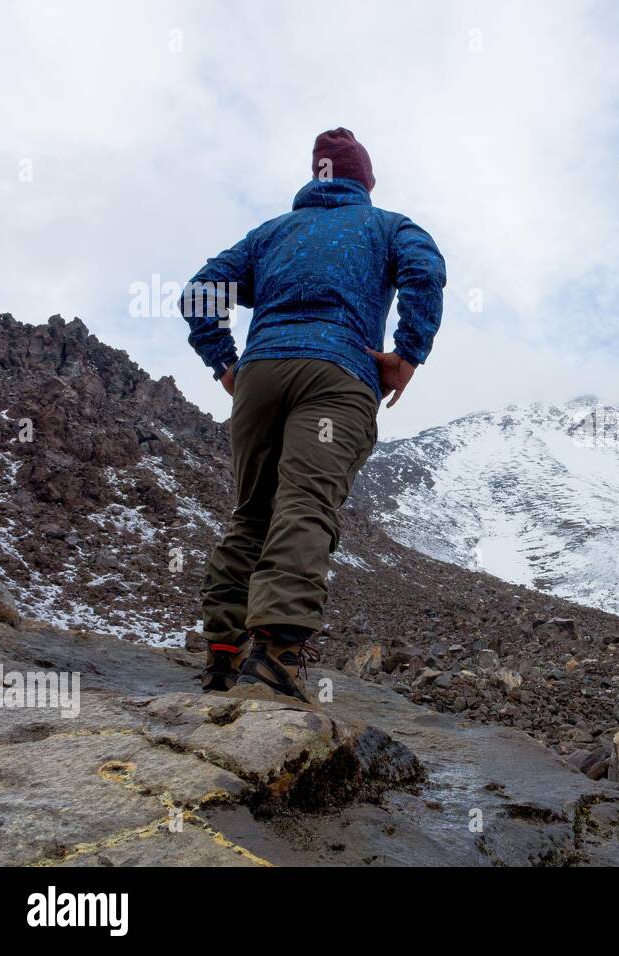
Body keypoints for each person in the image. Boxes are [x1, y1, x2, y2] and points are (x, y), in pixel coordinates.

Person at [180, 127, 445, 702]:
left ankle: (223, 655)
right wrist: (407, 354)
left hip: (261, 376)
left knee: (251, 511)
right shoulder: (388, 226)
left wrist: (226, 364)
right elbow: (425, 272)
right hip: (337, 374)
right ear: (364, 182)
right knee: (304, 504)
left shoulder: (271, 234)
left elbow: (200, 291)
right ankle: (273, 658)